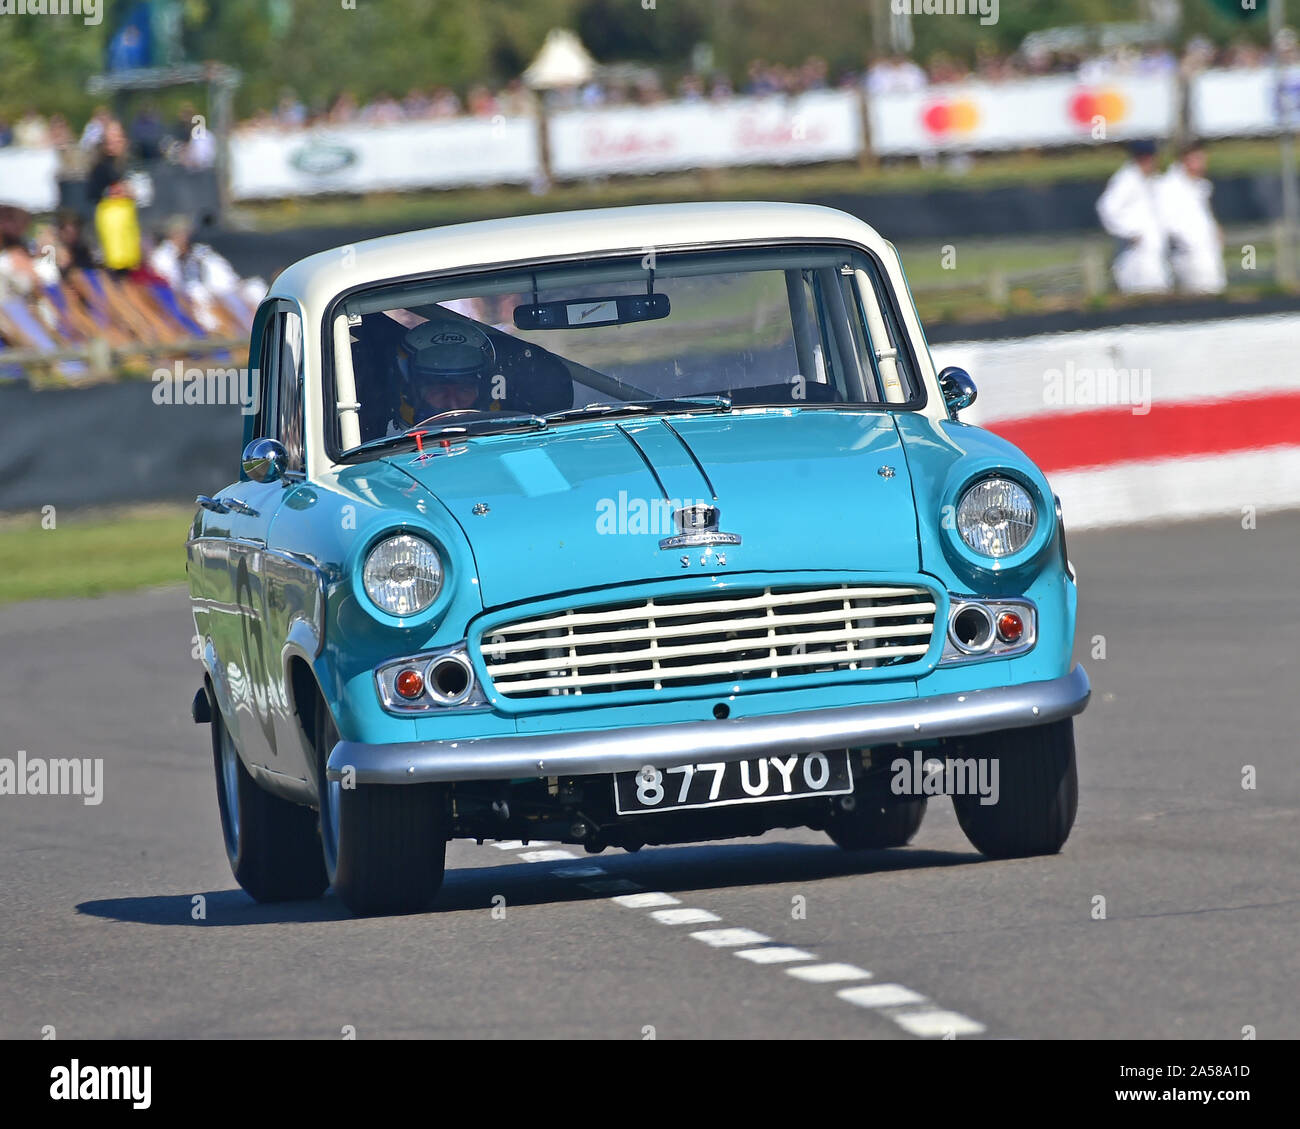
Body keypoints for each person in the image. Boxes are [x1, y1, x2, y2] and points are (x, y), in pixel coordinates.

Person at [386, 319, 496, 434]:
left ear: (483, 392)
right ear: (410, 393)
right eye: (438, 391)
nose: (453, 405)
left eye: (464, 390)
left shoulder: (510, 439)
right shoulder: (385, 447)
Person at [1096, 139, 1170, 294]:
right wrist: (1131, 233)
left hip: (1153, 258)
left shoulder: (1149, 180)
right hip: (1135, 259)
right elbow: (1106, 209)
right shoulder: (1126, 179)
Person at [1157, 140, 1226, 295]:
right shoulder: (1168, 186)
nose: (1203, 164)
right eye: (1198, 159)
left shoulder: (1198, 185)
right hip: (1188, 257)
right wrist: (1190, 244)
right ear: (1185, 159)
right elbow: (1168, 222)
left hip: (1207, 253)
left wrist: (1214, 230)